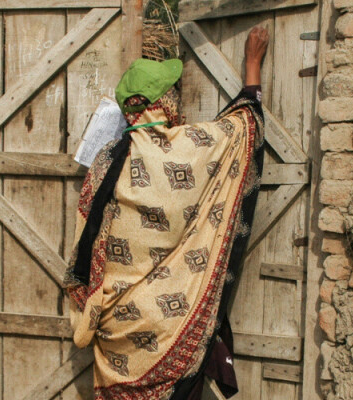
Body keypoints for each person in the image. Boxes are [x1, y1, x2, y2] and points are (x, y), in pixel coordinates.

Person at [64, 27, 269, 399]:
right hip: (168, 328)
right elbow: (244, 126)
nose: (176, 99)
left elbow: (85, 242)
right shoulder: (189, 148)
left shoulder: (105, 160)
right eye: (171, 93)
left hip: (114, 329)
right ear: (162, 102)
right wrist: (253, 65)